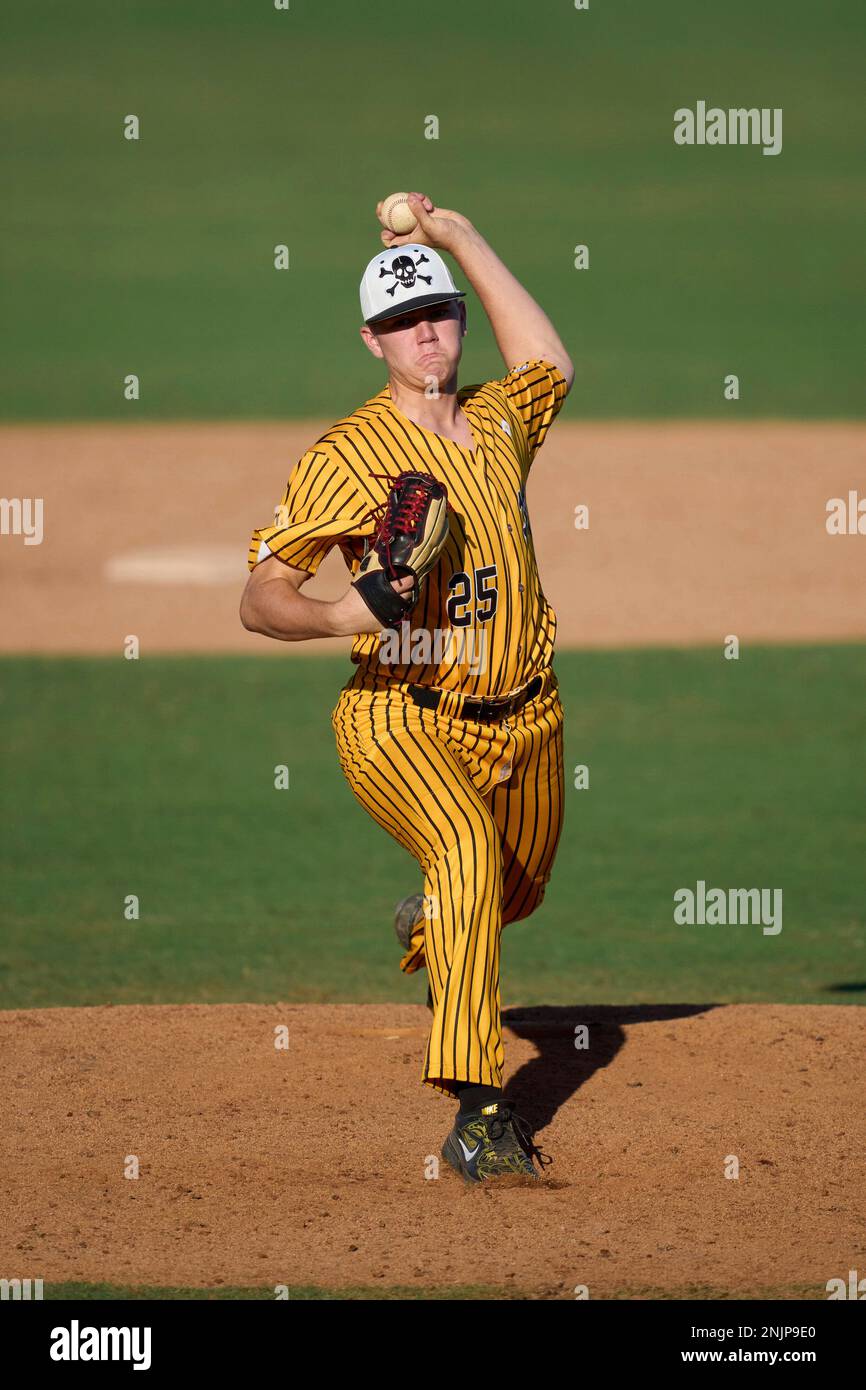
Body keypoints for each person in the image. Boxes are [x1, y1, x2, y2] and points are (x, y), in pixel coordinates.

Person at [240, 192, 573, 1182]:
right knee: (464, 850)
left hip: (527, 715)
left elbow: (548, 365)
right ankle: (479, 1111)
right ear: (370, 340)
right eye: (398, 323)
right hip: (398, 714)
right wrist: (348, 613)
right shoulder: (346, 456)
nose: (420, 334)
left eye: (433, 312)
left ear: (455, 318)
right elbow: (261, 598)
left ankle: (433, 921)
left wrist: (457, 237)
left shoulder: (498, 420)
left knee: (512, 892)